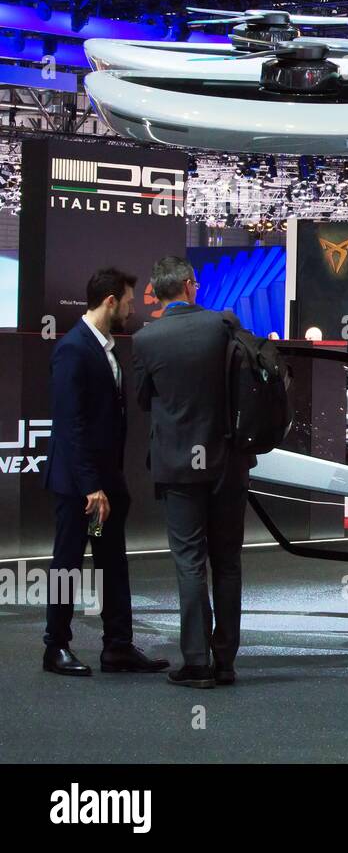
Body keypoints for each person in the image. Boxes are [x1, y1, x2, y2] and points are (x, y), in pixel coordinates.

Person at [133, 257, 253, 689]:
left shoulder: (147, 339)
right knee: (227, 562)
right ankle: (226, 662)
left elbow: (144, 399)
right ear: (188, 285)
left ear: (158, 293)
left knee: (189, 563)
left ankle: (197, 662)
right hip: (227, 461)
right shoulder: (223, 324)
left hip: (178, 463)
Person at [42, 269, 169, 678]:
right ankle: (55, 646)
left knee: (112, 561)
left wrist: (108, 484)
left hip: (105, 486)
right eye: (130, 301)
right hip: (80, 488)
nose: (135, 308)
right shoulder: (72, 349)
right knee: (67, 563)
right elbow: (70, 424)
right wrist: (91, 486)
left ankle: (117, 646)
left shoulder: (107, 348)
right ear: (110, 301)